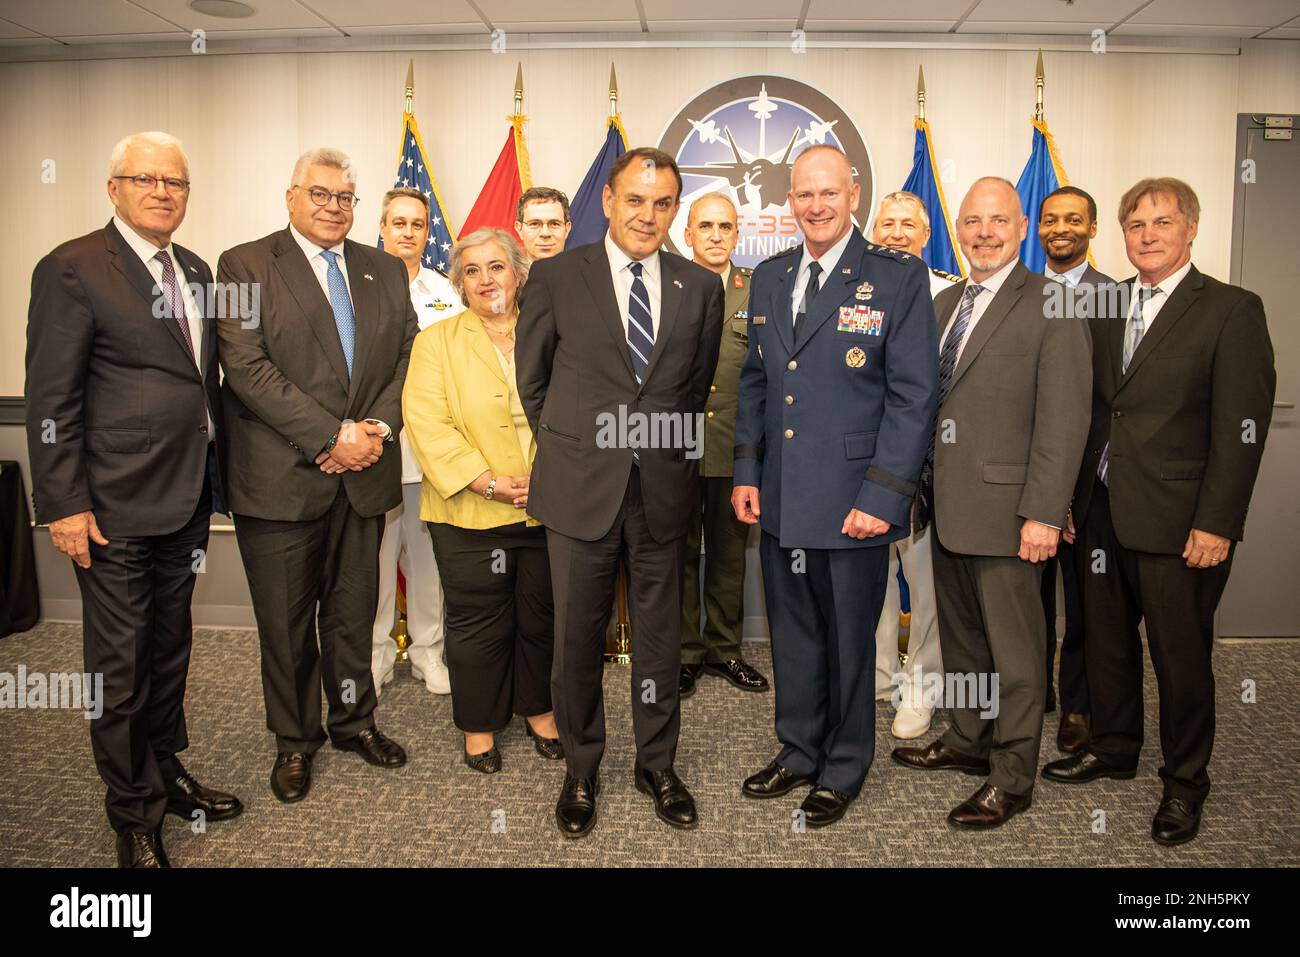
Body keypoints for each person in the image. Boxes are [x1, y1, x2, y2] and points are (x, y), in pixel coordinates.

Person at [25, 131, 241, 867]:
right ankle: (131, 813)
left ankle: (164, 769)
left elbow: (196, 382)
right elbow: (51, 397)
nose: (161, 192)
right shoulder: (74, 267)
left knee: (168, 648)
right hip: (109, 507)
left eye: (175, 183)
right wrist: (63, 502)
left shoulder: (196, 268)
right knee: (118, 666)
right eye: (145, 179)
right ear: (112, 187)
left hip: (184, 499)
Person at [1043, 177, 1276, 846]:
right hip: (1102, 511)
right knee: (1108, 645)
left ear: (1190, 229)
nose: (1147, 234)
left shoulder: (1231, 309)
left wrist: (1218, 522)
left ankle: (1184, 782)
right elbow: (1092, 411)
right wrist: (1069, 498)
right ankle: (1115, 748)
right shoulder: (1108, 304)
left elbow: (1242, 427)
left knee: (1180, 658)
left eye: (1161, 222)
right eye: (1135, 224)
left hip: (1182, 523)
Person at [516, 146, 724, 838]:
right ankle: (581, 766)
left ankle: (657, 763)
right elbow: (535, 383)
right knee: (577, 637)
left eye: (663, 203)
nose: (648, 215)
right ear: (608, 200)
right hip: (580, 488)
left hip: (663, 489)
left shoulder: (700, 286)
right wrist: (581, 445)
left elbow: (691, 392)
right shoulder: (553, 276)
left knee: (661, 640)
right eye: (635, 199)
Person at [733, 146, 939, 827]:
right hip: (782, 497)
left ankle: (843, 766)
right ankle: (798, 748)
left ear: (854, 193)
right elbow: (757, 382)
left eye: (828, 192)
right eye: (803, 194)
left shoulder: (896, 277)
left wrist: (882, 497)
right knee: (794, 636)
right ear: (789, 200)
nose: (815, 205)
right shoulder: (769, 276)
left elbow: (913, 396)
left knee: (853, 642)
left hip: (855, 501)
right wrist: (746, 470)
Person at [216, 147, 416, 804]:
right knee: (287, 622)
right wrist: (333, 436)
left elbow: (408, 358)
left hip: (363, 478)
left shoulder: (384, 268)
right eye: (321, 194)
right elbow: (246, 369)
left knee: (353, 617)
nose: (334, 208)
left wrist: (375, 431)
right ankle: (295, 740)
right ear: (292, 196)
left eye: (345, 198)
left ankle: (354, 721)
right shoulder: (246, 264)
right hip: (281, 482)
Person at [892, 176, 1090, 829]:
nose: (982, 231)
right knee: (965, 641)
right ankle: (970, 740)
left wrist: (1043, 510)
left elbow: (1065, 420)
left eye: (996, 220)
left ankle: (1011, 776)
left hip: (1011, 516)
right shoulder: (947, 301)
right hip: (945, 509)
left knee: (1016, 652)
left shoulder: (1052, 303)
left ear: (1022, 226)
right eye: (972, 221)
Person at [402, 227, 561, 773]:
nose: (486, 279)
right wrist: (485, 481)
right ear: (459, 282)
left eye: (496, 267)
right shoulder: (435, 341)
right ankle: (479, 724)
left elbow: (577, 410)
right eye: (472, 270)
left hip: (548, 504)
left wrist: (549, 476)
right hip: (468, 510)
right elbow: (427, 422)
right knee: (476, 620)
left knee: (541, 615)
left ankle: (539, 709)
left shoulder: (553, 333)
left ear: (518, 273)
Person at [868, 190, 958, 739]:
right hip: (864, 464)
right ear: (874, 230)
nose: (898, 233)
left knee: (926, 587)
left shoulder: (952, 293)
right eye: (888, 223)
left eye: (909, 224)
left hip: (930, 467)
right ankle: (877, 678)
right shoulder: (857, 288)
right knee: (871, 582)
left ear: (927, 235)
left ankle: (922, 688)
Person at [678, 192, 769, 699]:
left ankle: (725, 649)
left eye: (725, 227)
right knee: (681, 552)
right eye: (705, 226)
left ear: (738, 235)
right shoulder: (668, 285)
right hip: (677, 447)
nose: (715, 235)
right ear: (686, 234)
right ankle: (686, 653)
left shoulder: (758, 290)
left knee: (731, 554)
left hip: (737, 447)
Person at [370, 187, 459, 697]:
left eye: (417, 224)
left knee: (427, 563)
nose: (407, 232)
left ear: (429, 232)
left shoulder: (444, 290)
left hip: (430, 453)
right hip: (376, 451)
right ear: (382, 227)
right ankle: (377, 656)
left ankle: (429, 652)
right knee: (377, 562)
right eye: (398, 223)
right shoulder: (360, 288)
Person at [1036, 185, 1116, 754]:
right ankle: (1032, 686)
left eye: (1073, 220)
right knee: (1027, 595)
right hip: (1027, 476)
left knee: (1085, 601)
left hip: (1090, 484)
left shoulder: (1113, 298)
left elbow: (1110, 399)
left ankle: (1079, 706)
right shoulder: (1022, 293)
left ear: (1091, 229)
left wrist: (1070, 490)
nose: (1059, 228)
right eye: (1049, 219)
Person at [515, 187, 572, 261]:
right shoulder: (507, 272)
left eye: (554, 224)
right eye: (534, 224)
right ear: (519, 229)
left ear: (567, 229)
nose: (545, 233)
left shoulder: (587, 272)